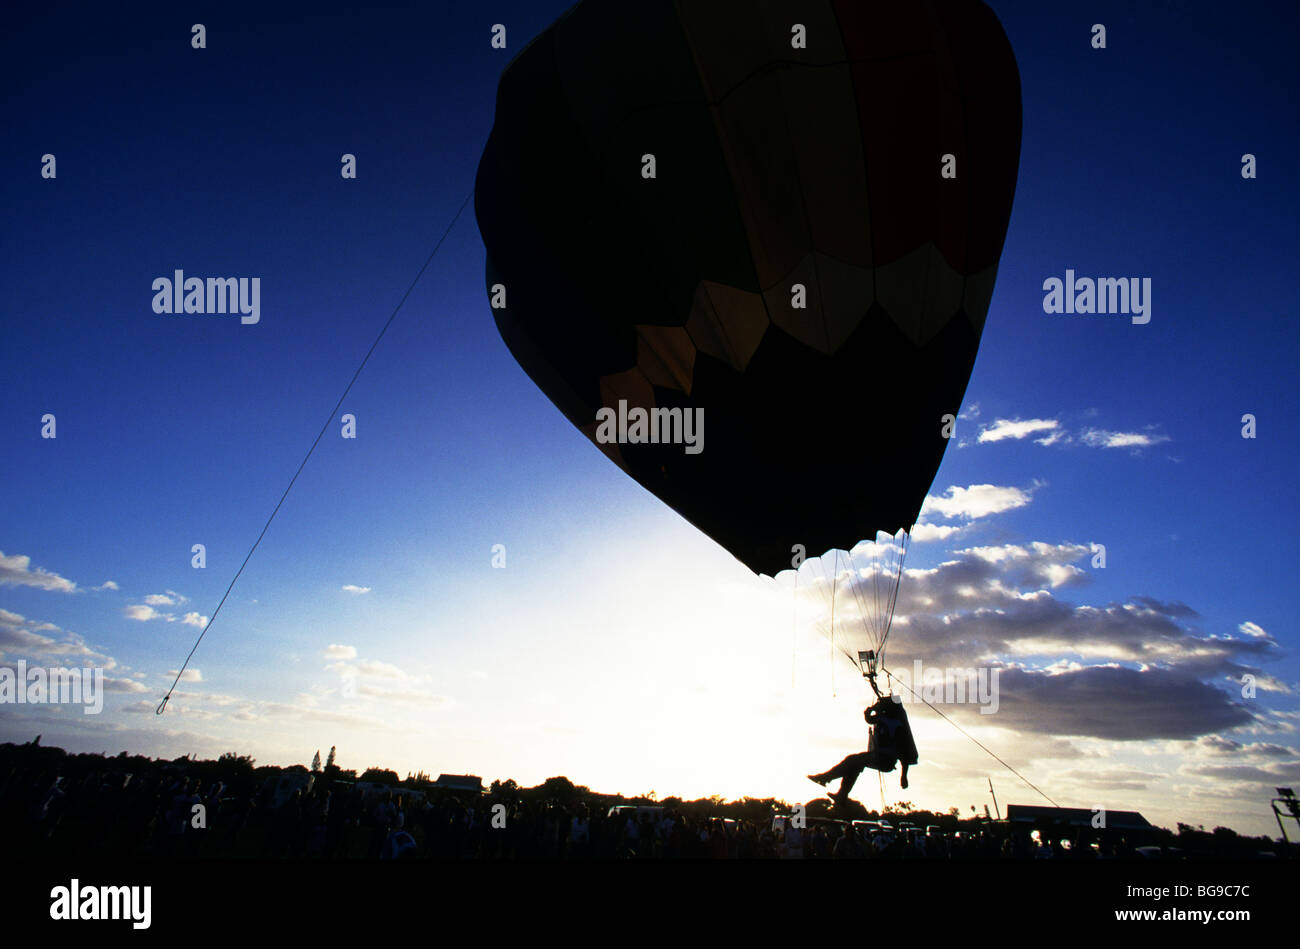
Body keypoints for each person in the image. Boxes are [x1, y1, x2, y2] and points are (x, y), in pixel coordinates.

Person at [808, 694, 918, 803]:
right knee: (854, 765)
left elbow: (904, 753)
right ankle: (841, 795)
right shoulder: (883, 719)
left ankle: (826, 778)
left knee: (852, 760)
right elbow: (870, 719)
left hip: (886, 760)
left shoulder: (896, 724)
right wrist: (870, 710)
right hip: (878, 756)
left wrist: (904, 776)